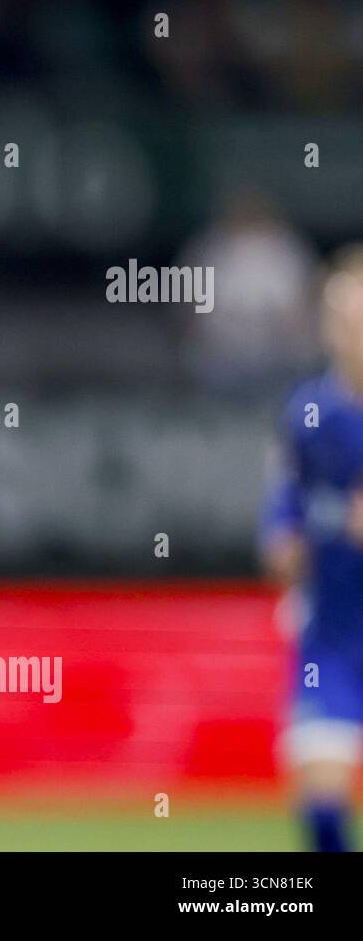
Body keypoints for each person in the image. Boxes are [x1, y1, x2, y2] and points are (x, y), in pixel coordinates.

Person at [261, 245, 363, 852]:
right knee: (323, 815)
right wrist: (287, 548)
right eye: (342, 322)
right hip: (331, 638)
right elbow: (283, 523)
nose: (351, 335)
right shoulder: (307, 415)